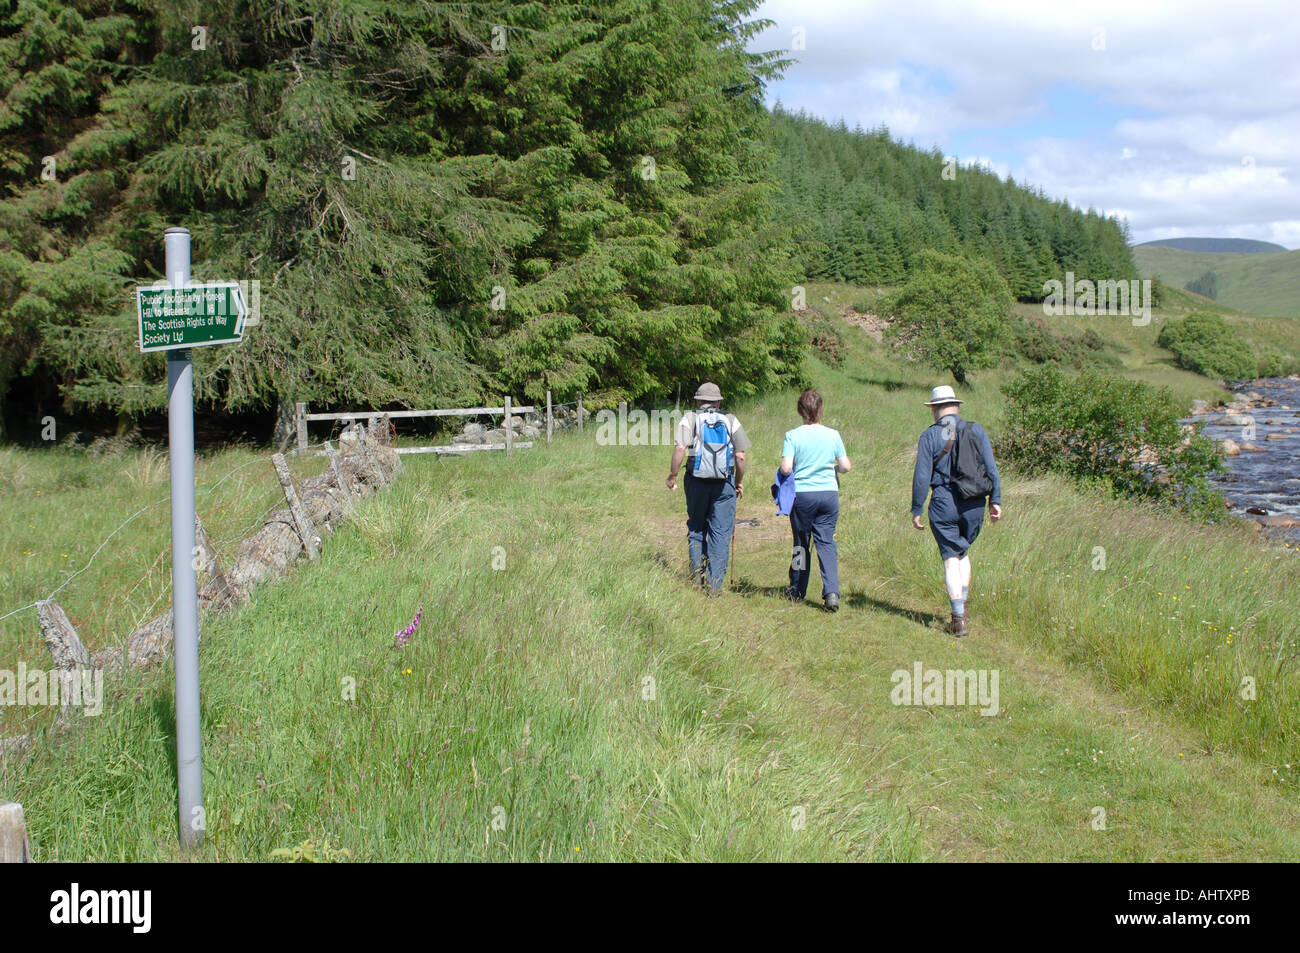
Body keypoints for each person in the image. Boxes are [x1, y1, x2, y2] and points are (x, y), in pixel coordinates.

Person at [910, 385, 1002, 636]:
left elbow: (921, 476)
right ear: (956, 406)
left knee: (951, 557)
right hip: (974, 503)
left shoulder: (929, 436)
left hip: (944, 502)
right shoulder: (976, 430)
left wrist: (917, 507)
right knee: (963, 551)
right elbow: (991, 469)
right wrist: (996, 500)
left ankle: (958, 617)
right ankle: (963, 606)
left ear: (935, 409)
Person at [666, 382, 750, 596]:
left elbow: (680, 448)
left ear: (697, 401)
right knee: (721, 533)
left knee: (696, 527)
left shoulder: (690, 418)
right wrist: (738, 480)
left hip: (696, 480)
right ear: (719, 401)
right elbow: (740, 456)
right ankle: (714, 586)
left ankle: (697, 578)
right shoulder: (731, 419)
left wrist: (673, 475)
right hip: (724, 483)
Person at [779, 388, 851, 611]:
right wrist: (831, 467)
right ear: (820, 409)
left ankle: (797, 589)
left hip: (803, 495)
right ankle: (831, 593)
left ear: (800, 410)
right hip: (829, 494)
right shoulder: (833, 434)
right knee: (826, 543)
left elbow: (786, 467)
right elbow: (846, 466)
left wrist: (783, 476)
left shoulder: (793, 435)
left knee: (801, 543)